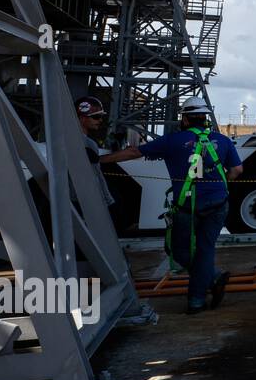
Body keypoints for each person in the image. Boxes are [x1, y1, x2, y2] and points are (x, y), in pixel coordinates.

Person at [103, 99, 242, 314]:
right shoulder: (222, 140)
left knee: (178, 251)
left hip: (187, 206)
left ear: (185, 118)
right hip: (218, 203)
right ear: (205, 118)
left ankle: (200, 296)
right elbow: (237, 170)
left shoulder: (172, 140)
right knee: (205, 250)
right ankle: (209, 279)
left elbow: (133, 153)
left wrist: (100, 160)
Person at [75, 96, 115, 213]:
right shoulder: (88, 144)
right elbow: (97, 176)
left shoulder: (63, 140)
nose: (100, 120)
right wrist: (108, 201)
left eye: (101, 116)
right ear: (82, 118)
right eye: (96, 117)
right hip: (84, 204)